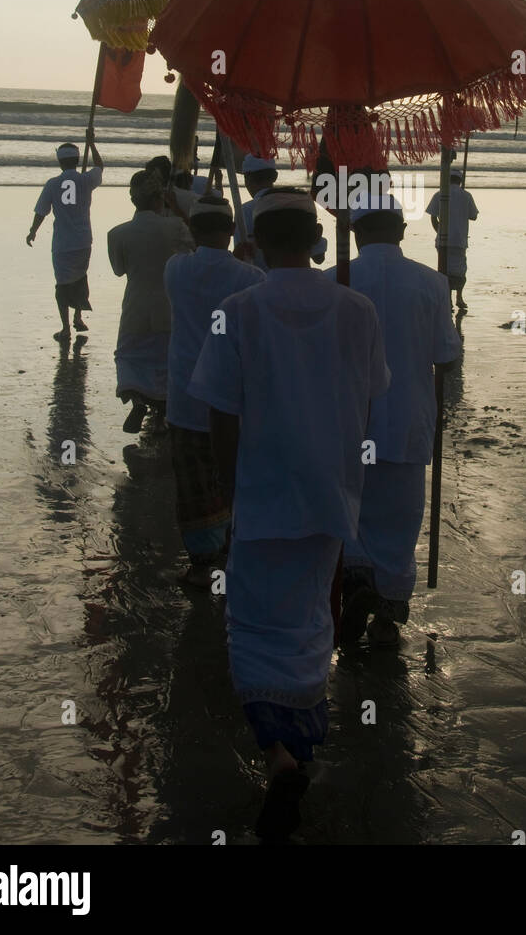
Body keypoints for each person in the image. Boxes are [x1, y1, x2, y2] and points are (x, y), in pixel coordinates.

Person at [188, 188, 389, 843]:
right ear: (314, 239)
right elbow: (370, 391)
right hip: (331, 490)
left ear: (255, 240)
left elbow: (220, 409)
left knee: (251, 621)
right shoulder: (356, 308)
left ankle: (277, 752)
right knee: (308, 617)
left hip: (263, 489)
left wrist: (230, 481)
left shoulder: (236, 310)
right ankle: (297, 748)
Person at [338, 197, 461, 646]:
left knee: (351, 509)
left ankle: (357, 582)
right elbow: (446, 357)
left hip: (351, 422)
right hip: (408, 419)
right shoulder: (432, 283)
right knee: (400, 518)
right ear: (403, 232)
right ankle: (388, 612)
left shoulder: (338, 278)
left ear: (356, 232)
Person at [164, 196, 264, 587]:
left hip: (186, 392)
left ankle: (204, 560)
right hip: (232, 396)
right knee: (230, 477)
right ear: (230, 231)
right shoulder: (251, 278)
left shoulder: (176, 270)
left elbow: (194, 257)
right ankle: (231, 550)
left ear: (193, 230)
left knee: (193, 482)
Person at [107, 170, 193, 434]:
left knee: (131, 356)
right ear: (161, 199)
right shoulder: (175, 227)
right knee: (167, 359)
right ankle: (163, 407)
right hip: (169, 304)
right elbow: (193, 252)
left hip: (136, 304)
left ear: (133, 201)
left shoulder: (117, 234)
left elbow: (119, 270)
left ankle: (138, 400)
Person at [27, 132, 104, 342]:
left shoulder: (52, 184)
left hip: (62, 244)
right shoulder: (86, 180)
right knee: (80, 278)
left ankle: (66, 328)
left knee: (62, 285)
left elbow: (41, 211)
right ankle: (78, 317)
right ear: (77, 160)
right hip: (83, 241)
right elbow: (100, 167)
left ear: (60, 162)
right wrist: (92, 144)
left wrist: (33, 230)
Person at [426, 168, 479, 311]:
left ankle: (448, 299)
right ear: (460, 181)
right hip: (460, 239)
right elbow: (473, 216)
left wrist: (438, 231)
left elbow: (432, 216)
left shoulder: (440, 194)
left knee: (444, 270)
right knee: (460, 270)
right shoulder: (466, 195)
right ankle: (459, 297)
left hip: (443, 239)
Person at [234, 154, 279, 269]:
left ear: (247, 179)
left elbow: (241, 257)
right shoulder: (294, 204)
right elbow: (318, 257)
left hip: (256, 281)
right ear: (275, 177)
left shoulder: (244, 211)